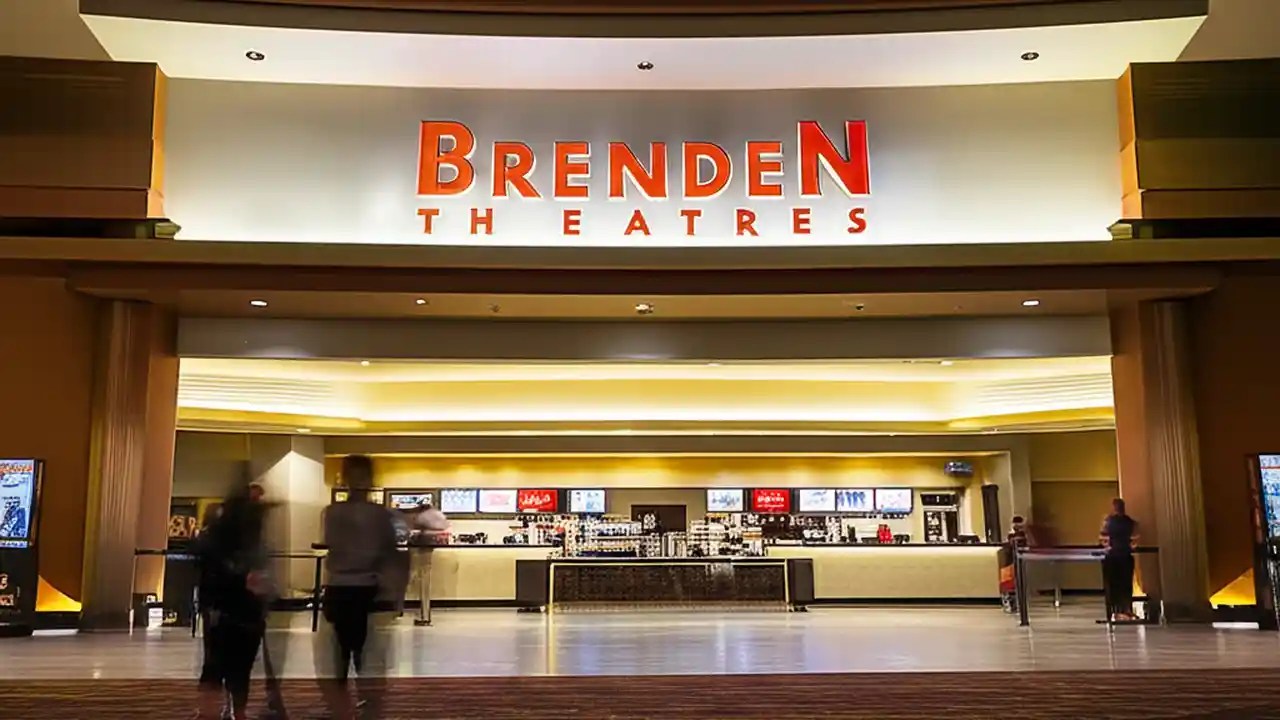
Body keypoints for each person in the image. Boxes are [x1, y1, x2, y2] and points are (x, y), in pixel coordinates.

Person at [320, 455, 400, 717]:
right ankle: (362, 710)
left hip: (349, 589)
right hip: (362, 589)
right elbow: (388, 553)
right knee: (359, 660)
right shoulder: (378, 516)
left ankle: (348, 711)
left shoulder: (334, 513)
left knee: (348, 660)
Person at [194, 482, 272, 720]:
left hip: (225, 608)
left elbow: (203, 568)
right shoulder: (252, 542)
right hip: (243, 608)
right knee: (238, 666)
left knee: (217, 664)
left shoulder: (215, 539)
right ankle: (235, 711)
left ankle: (216, 711)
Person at [408, 501, 451, 627]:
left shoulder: (422, 517)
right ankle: (425, 615)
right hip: (431, 550)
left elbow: (415, 530)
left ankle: (424, 616)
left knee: (421, 582)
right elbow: (445, 528)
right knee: (425, 582)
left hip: (421, 550)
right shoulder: (439, 515)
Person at [1100, 498, 1140, 622]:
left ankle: (1118, 610)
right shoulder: (1129, 522)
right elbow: (1136, 536)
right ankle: (1123, 609)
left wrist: (1107, 546)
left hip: (1114, 556)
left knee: (1117, 584)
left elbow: (1102, 536)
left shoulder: (1109, 521)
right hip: (1123, 555)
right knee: (1123, 584)